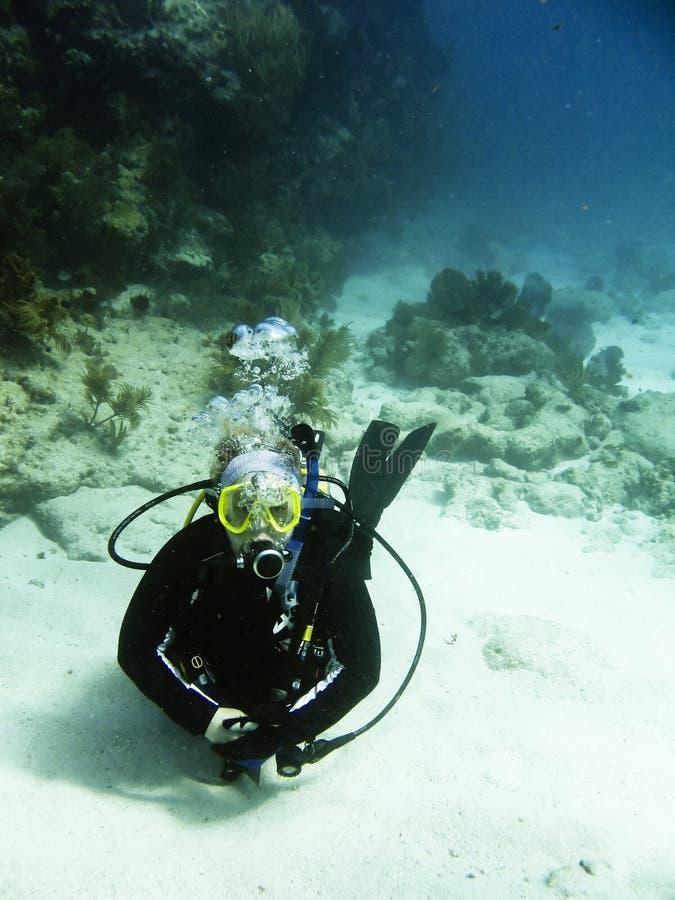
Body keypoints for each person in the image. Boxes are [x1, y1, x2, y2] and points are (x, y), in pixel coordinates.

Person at [116, 418, 434, 783]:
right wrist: (201, 717)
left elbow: (362, 670)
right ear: (218, 508)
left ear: (298, 508)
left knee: (353, 541)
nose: (260, 528)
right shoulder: (195, 548)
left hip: (292, 677)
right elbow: (134, 651)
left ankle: (364, 515)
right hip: (213, 668)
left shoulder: (325, 552)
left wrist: (284, 732)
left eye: (278, 510)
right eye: (241, 510)